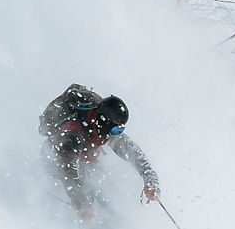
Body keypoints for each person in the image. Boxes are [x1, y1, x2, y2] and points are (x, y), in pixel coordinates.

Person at [38, 84, 160, 220]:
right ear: (104, 123)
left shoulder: (102, 126)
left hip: (81, 156)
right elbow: (68, 171)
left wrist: (150, 179)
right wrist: (81, 203)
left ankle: (110, 217)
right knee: (80, 186)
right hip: (54, 158)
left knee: (99, 182)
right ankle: (64, 215)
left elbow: (130, 150)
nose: (116, 134)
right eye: (116, 130)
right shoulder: (74, 134)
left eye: (120, 130)